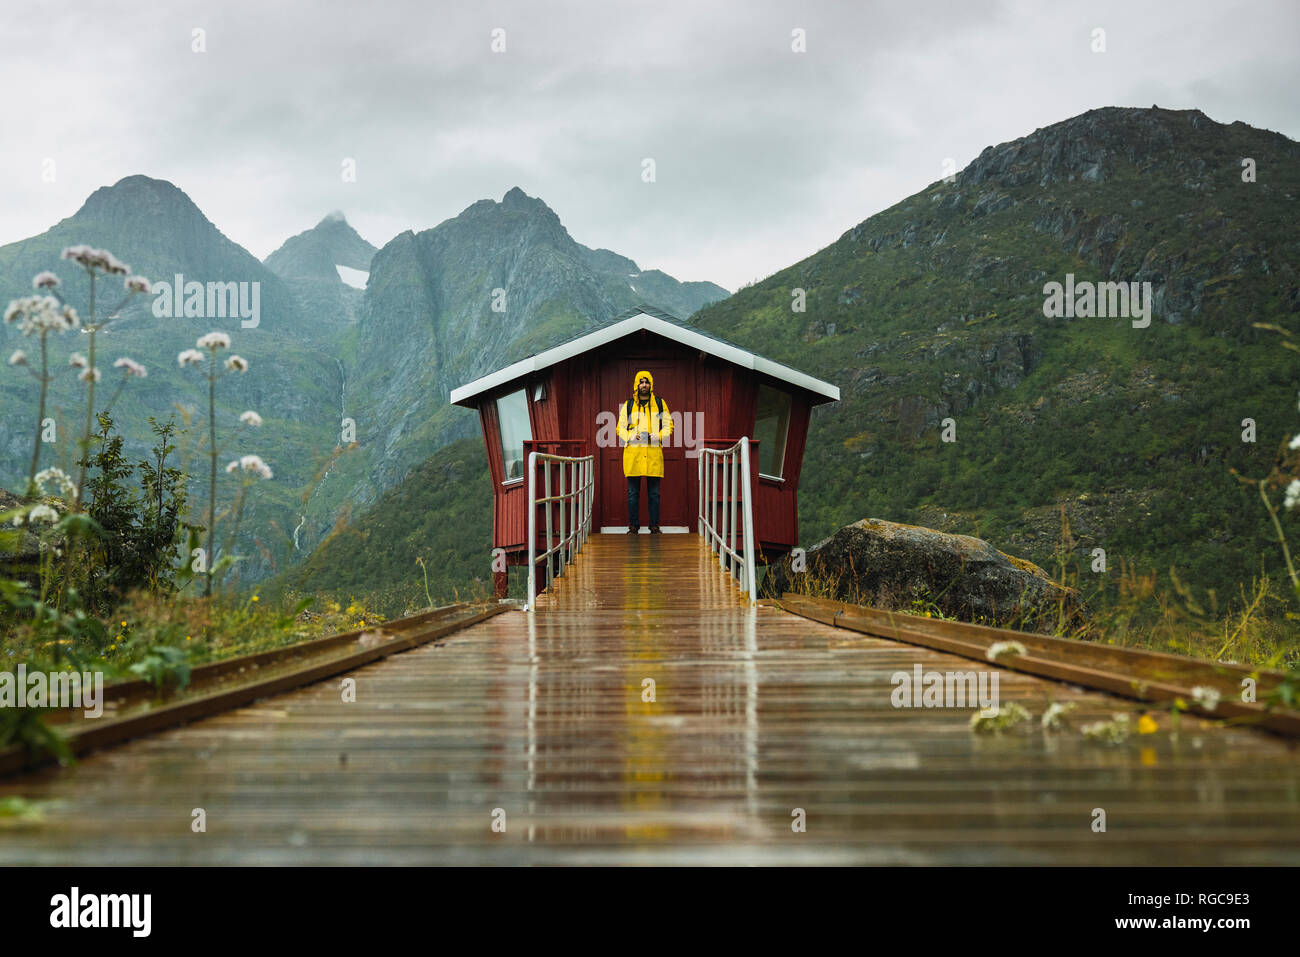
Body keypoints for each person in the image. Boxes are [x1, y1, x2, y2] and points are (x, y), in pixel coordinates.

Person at [616, 370, 673, 533]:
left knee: (654, 494)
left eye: (646, 382)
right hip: (633, 455)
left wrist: (659, 435)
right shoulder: (627, 406)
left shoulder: (660, 403)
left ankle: (654, 526)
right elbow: (619, 428)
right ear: (636, 385)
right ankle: (633, 526)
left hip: (653, 454)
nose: (644, 385)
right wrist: (631, 436)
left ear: (651, 384)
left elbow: (669, 425)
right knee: (633, 494)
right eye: (641, 382)